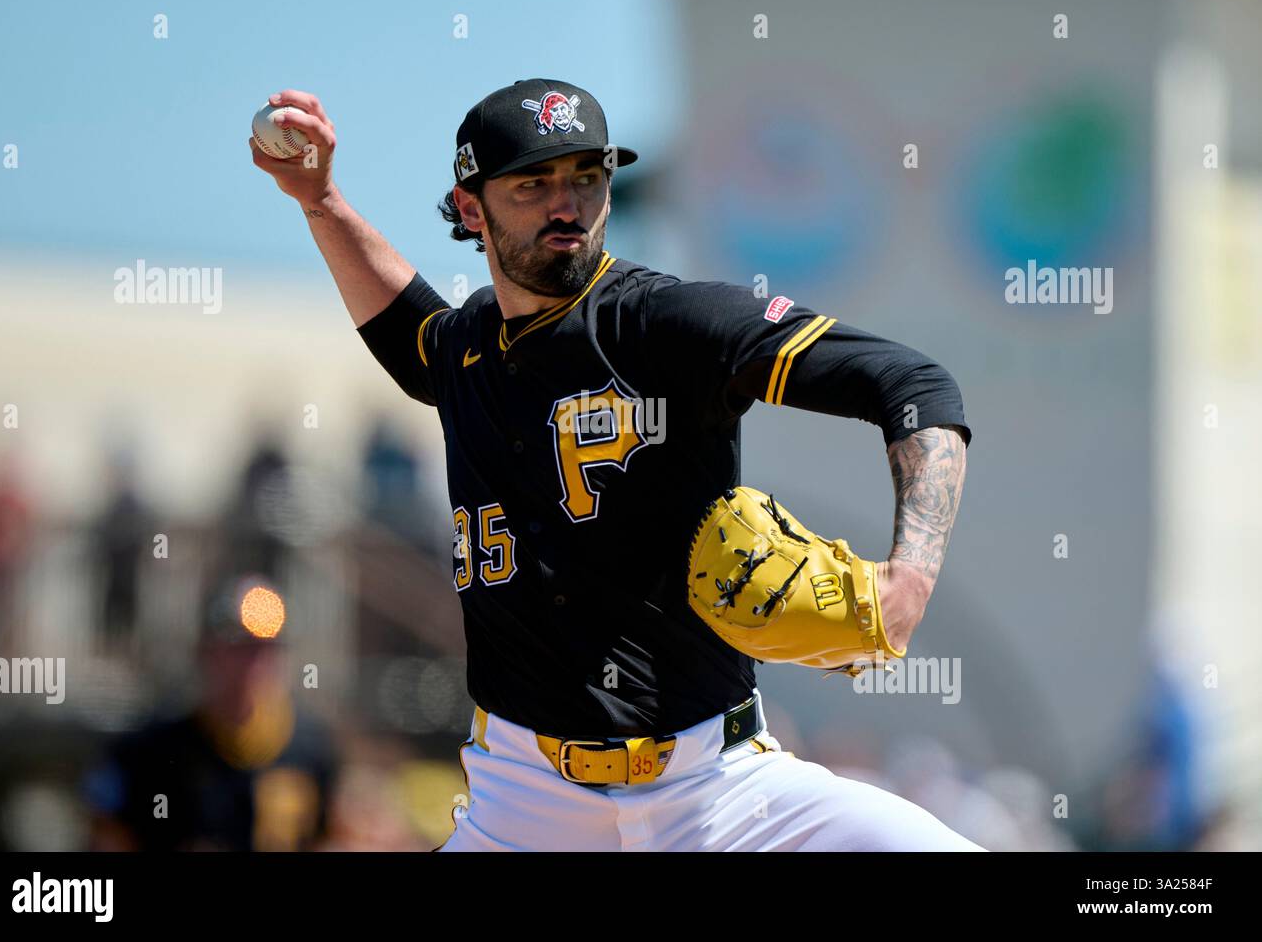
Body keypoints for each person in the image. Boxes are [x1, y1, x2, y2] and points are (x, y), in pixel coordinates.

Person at [251, 78, 981, 851]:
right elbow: (406, 325)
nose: (567, 203)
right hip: (523, 808)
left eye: (587, 178)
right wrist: (320, 199)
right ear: (471, 209)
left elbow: (914, 384)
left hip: (720, 791)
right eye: (534, 183)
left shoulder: (668, 322)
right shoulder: (463, 356)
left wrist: (913, 574)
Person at [84, 576, 336, 851]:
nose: (254, 663)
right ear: (207, 652)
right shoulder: (153, 751)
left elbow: (325, 835)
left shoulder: (310, 748)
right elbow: (108, 835)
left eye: (266, 648)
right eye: (239, 647)